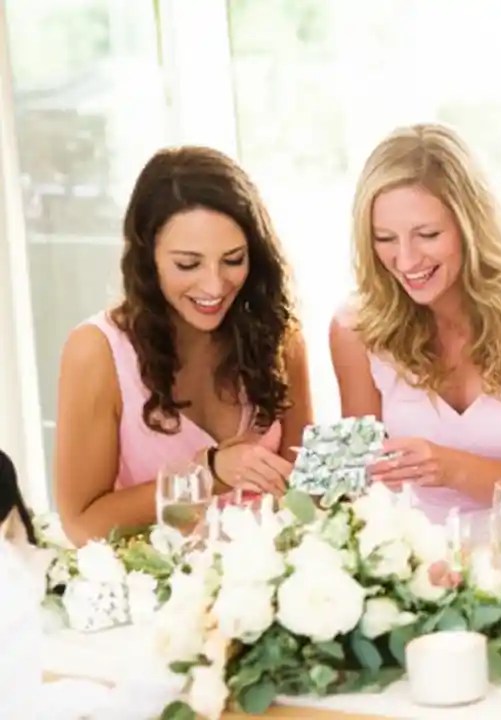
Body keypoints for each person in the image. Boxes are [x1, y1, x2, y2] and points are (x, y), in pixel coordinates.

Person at [54, 147, 311, 546]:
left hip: (271, 589)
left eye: (233, 259)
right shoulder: (97, 351)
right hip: (156, 598)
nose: (214, 285)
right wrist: (209, 474)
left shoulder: (278, 336)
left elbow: (305, 491)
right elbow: (82, 524)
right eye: (188, 264)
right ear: (147, 257)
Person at [330, 124, 501, 523]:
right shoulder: (355, 328)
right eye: (385, 238)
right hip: (413, 563)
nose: (407, 260)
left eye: (427, 234)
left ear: (471, 227)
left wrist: (451, 469)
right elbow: (359, 488)